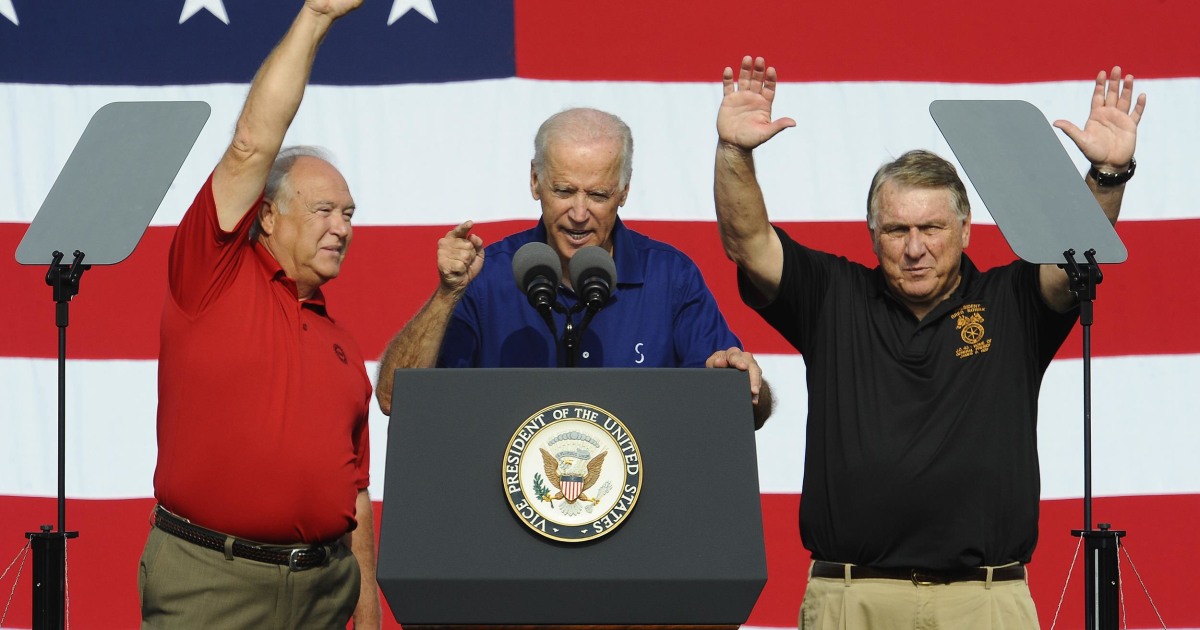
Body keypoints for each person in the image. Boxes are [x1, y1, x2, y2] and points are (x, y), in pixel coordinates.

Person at [713, 56, 1145, 628]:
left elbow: (1072, 263)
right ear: (872, 235)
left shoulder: (1012, 301)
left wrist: (1107, 176)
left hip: (984, 601)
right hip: (853, 598)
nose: (914, 247)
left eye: (931, 228)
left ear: (965, 229)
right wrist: (734, 153)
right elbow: (748, 242)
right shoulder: (831, 297)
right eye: (897, 230)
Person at [139, 2, 380, 628]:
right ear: (267, 216)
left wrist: (369, 605)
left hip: (327, 591)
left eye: (349, 214)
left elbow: (355, 493)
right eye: (324, 209)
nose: (342, 227)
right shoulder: (212, 273)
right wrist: (317, 17)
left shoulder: (344, 346)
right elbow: (251, 146)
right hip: (211, 585)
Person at [376, 107, 772, 428]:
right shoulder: (486, 277)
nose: (579, 214)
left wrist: (742, 384)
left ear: (624, 192)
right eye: (563, 191)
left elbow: (748, 413)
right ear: (535, 181)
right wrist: (448, 294)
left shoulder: (670, 278)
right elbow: (396, 399)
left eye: (598, 195)